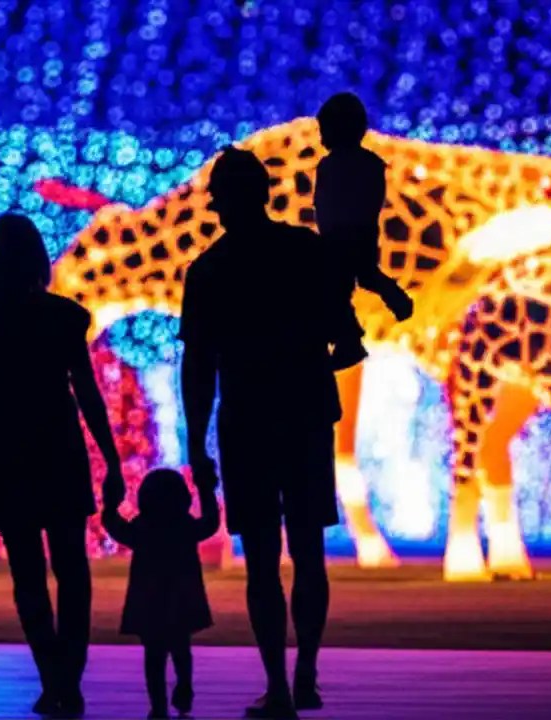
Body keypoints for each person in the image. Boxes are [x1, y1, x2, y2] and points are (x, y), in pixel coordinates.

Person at [181, 148, 351, 719]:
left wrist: (196, 441)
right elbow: (337, 327)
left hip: (247, 421)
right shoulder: (305, 250)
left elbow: (199, 365)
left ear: (221, 202)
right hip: (303, 412)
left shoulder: (208, 271)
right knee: (307, 551)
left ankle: (280, 683)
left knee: (262, 558)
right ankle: (303, 674)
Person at [0, 213, 124, 717]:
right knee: (72, 566)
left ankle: (54, 677)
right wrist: (110, 459)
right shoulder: (64, 318)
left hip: (2, 447)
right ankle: (68, 676)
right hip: (56, 443)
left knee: (26, 570)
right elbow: (87, 393)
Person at [102, 467, 220, 719]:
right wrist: (207, 490)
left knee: (153, 657)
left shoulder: (142, 529)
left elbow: (114, 526)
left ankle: (158, 706)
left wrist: (110, 502)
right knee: (181, 649)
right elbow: (210, 523)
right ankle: (184, 687)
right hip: (182, 600)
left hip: (149, 603)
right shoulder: (185, 526)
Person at [314, 91, 414, 369]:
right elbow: (374, 199)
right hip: (364, 233)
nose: (321, 138)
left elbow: (324, 202)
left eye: (324, 130)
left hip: (339, 237)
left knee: (335, 288)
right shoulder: (371, 163)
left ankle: (350, 341)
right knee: (365, 276)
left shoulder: (330, 165)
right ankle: (395, 300)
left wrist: (329, 234)